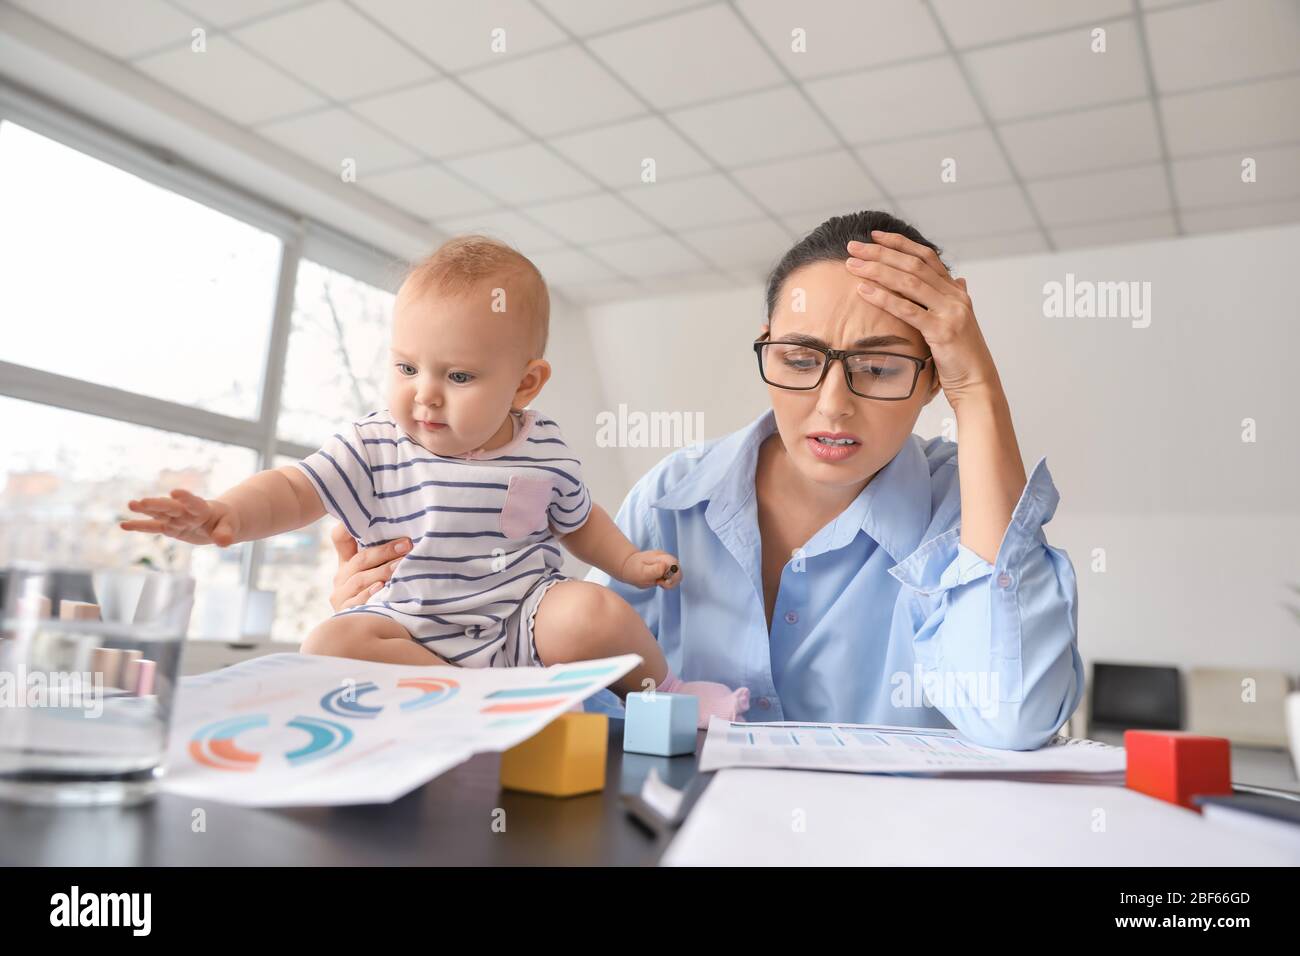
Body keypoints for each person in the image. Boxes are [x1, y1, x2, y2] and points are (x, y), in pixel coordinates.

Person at [330, 211, 1083, 750]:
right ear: (766, 350)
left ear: (929, 384)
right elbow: (569, 684)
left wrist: (978, 389)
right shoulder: (671, 496)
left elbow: (1013, 714)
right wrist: (408, 614)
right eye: (797, 359)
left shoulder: (965, 503)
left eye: (880, 368)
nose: (832, 404)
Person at [121, 236, 750, 727]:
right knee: (329, 643)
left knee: (593, 610)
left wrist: (630, 560)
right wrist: (227, 514)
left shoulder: (545, 447)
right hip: (412, 633)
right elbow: (294, 488)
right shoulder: (376, 442)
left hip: (522, 624)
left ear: (524, 384)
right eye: (406, 366)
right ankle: (472, 698)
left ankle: (668, 696)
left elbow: (580, 521)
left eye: (458, 377)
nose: (423, 393)